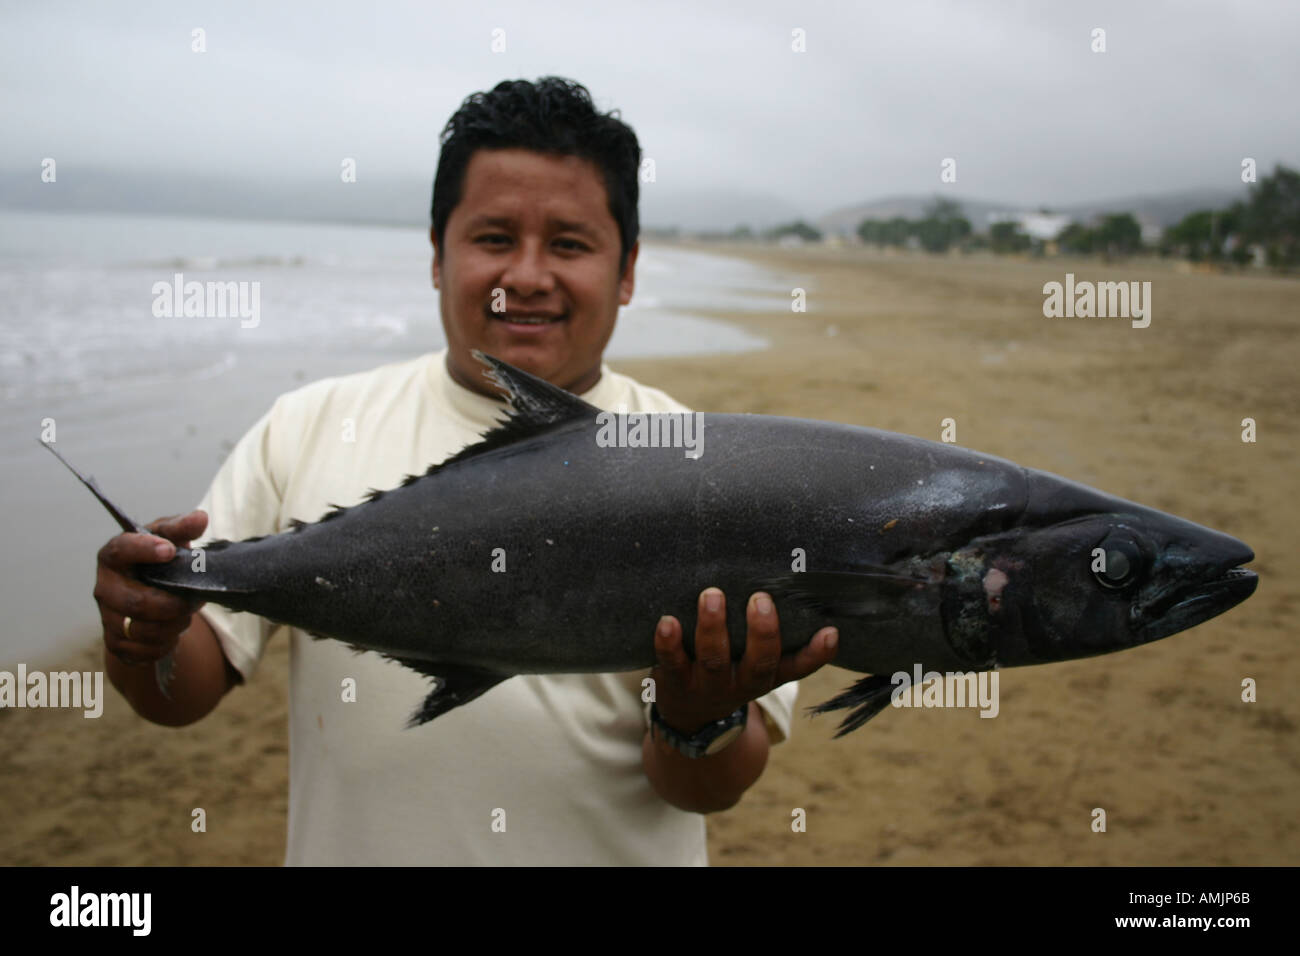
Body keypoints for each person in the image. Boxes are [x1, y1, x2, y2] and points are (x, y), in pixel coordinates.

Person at [92, 76, 838, 865]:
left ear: (627, 269)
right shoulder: (305, 429)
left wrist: (700, 715)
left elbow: (704, 788)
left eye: (570, 244)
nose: (526, 274)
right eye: (492, 238)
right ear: (437, 256)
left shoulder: (709, 471)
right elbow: (183, 693)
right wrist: (142, 633)